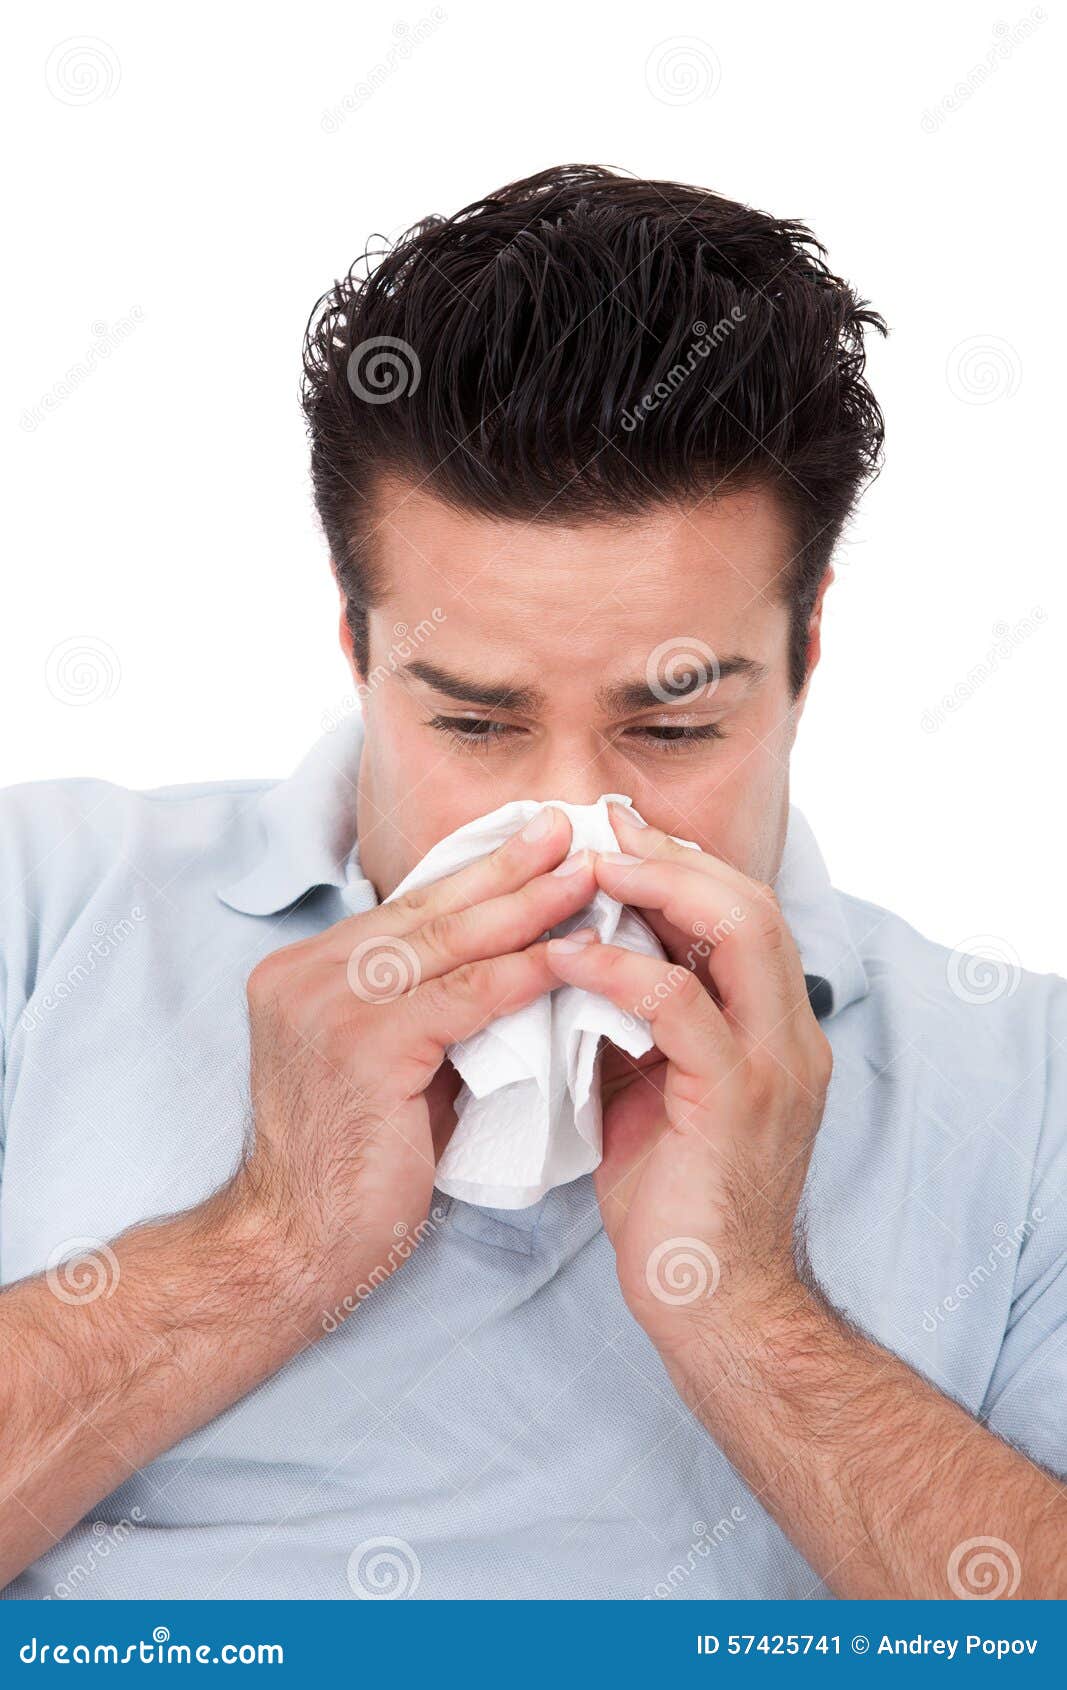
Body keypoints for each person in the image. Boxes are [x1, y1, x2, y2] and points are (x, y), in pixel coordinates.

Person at [1, 165, 1063, 1602]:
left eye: (674, 725)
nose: (570, 819)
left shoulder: (1029, 1080)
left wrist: (747, 1307)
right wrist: (269, 1239)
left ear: (806, 655)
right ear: (356, 644)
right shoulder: (43, 907)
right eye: (476, 720)